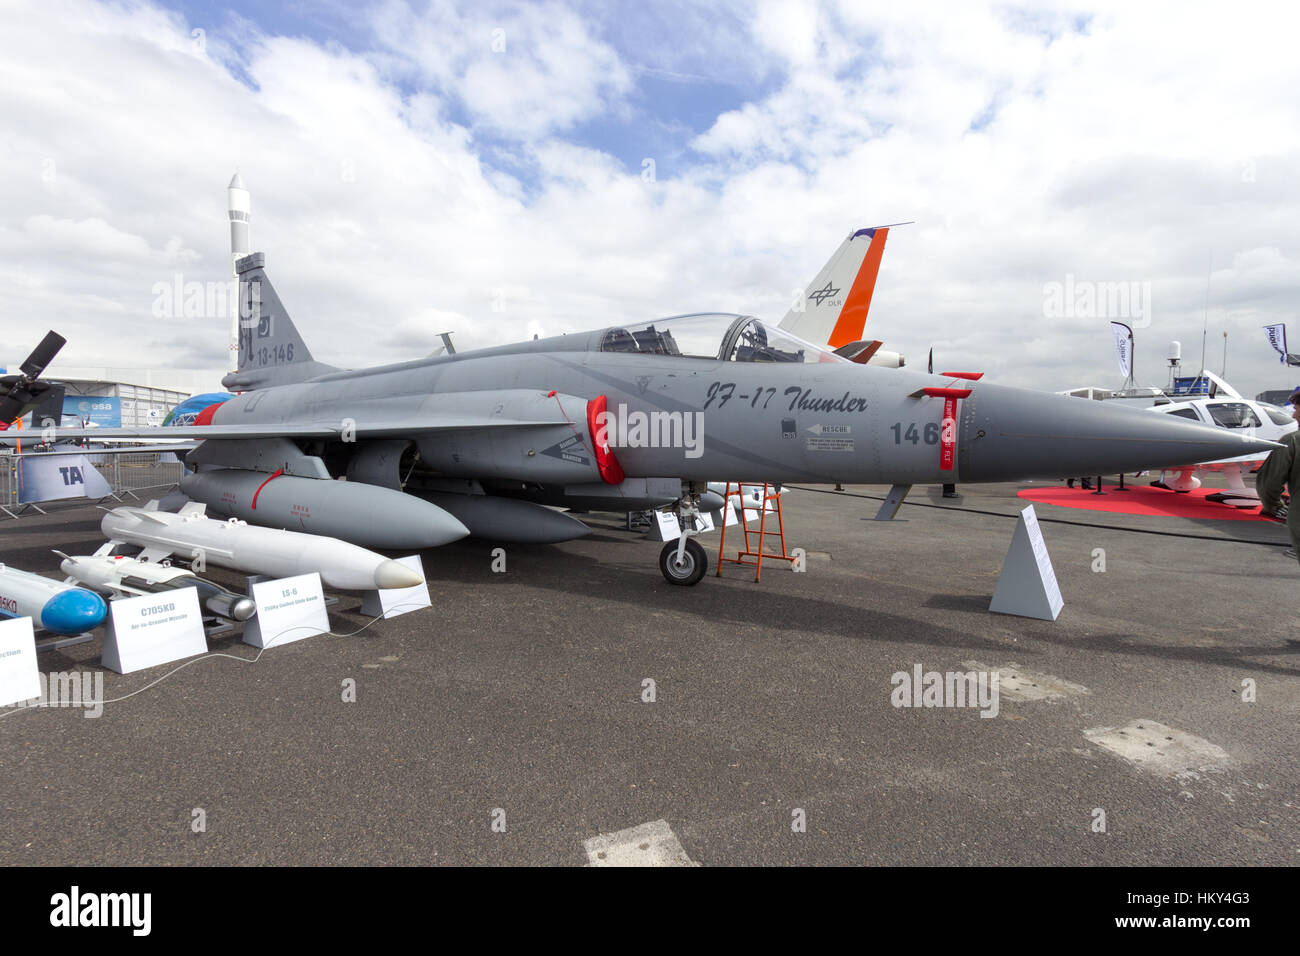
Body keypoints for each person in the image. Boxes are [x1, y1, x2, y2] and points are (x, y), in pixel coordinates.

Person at [1256, 388, 1300, 564]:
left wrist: (1274, 506)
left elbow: (1268, 483)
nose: (1294, 416)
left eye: (1297, 409)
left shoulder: (1292, 441)